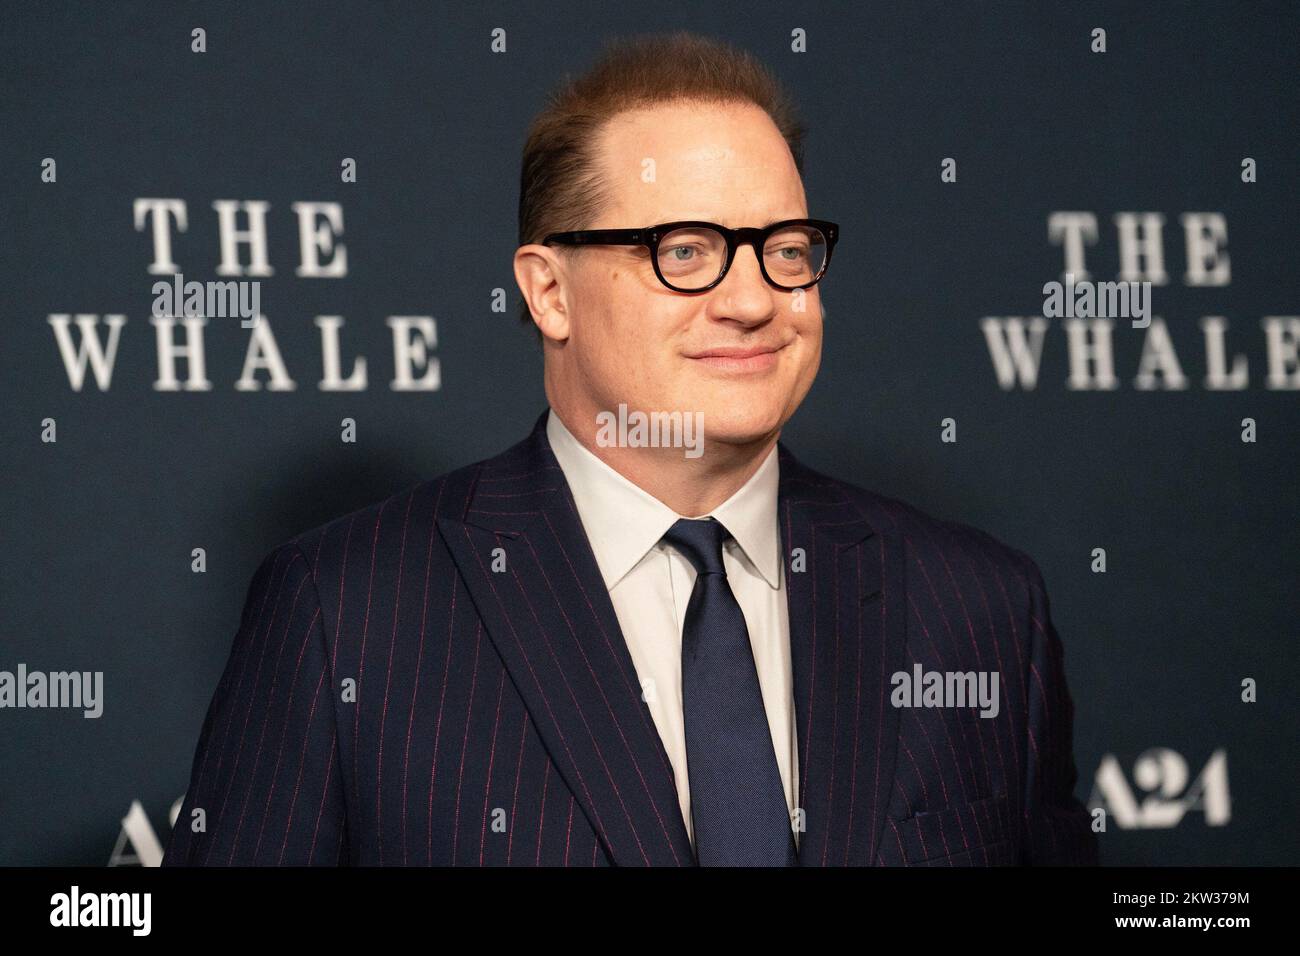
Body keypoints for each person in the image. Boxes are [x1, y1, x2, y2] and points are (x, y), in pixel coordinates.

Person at [163, 30, 1097, 867]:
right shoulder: (346, 614)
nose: (751, 299)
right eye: (684, 251)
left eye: (786, 246)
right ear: (548, 292)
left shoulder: (978, 607)